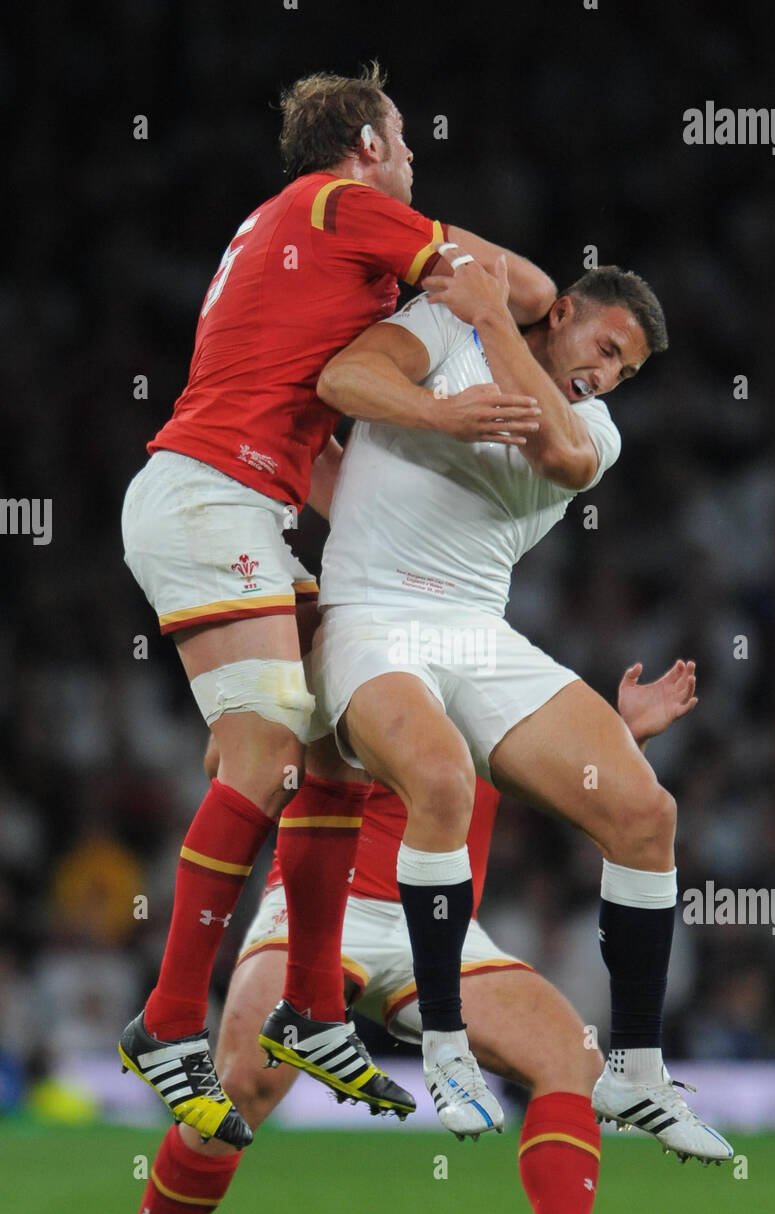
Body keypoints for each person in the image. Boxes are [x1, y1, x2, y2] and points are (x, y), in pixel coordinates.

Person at [118, 64, 555, 1149]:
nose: (413, 159)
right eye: (402, 139)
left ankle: (315, 1004)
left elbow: (315, 437)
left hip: (235, 507)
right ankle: (167, 1020)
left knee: (335, 750)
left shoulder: (294, 234)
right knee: (260, 759)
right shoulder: (348, 204)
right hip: (206, 500)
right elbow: (530, 293)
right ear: (364, 141)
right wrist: (463, 374)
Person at [302, 256, 734, 1159]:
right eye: (606, 346)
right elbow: (341, 376)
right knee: (438, 776)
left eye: (626, 371)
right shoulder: (440, 335)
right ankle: (448, 1046)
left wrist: (496, 320)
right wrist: (439, 406)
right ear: (564, 310)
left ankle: (639, 1068)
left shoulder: (591, 425)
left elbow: (566, 459)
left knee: (643, 811)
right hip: (371, 615)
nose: (608, 376)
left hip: (473, 629)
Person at [100, 658, 697, 1214]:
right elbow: (227, 760)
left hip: (439, 930)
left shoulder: (479, 661)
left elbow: (543, 775)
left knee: (569, 1055)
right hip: (325, 905)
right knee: (242, 1086)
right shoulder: (333, 643)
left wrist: (616, 740)